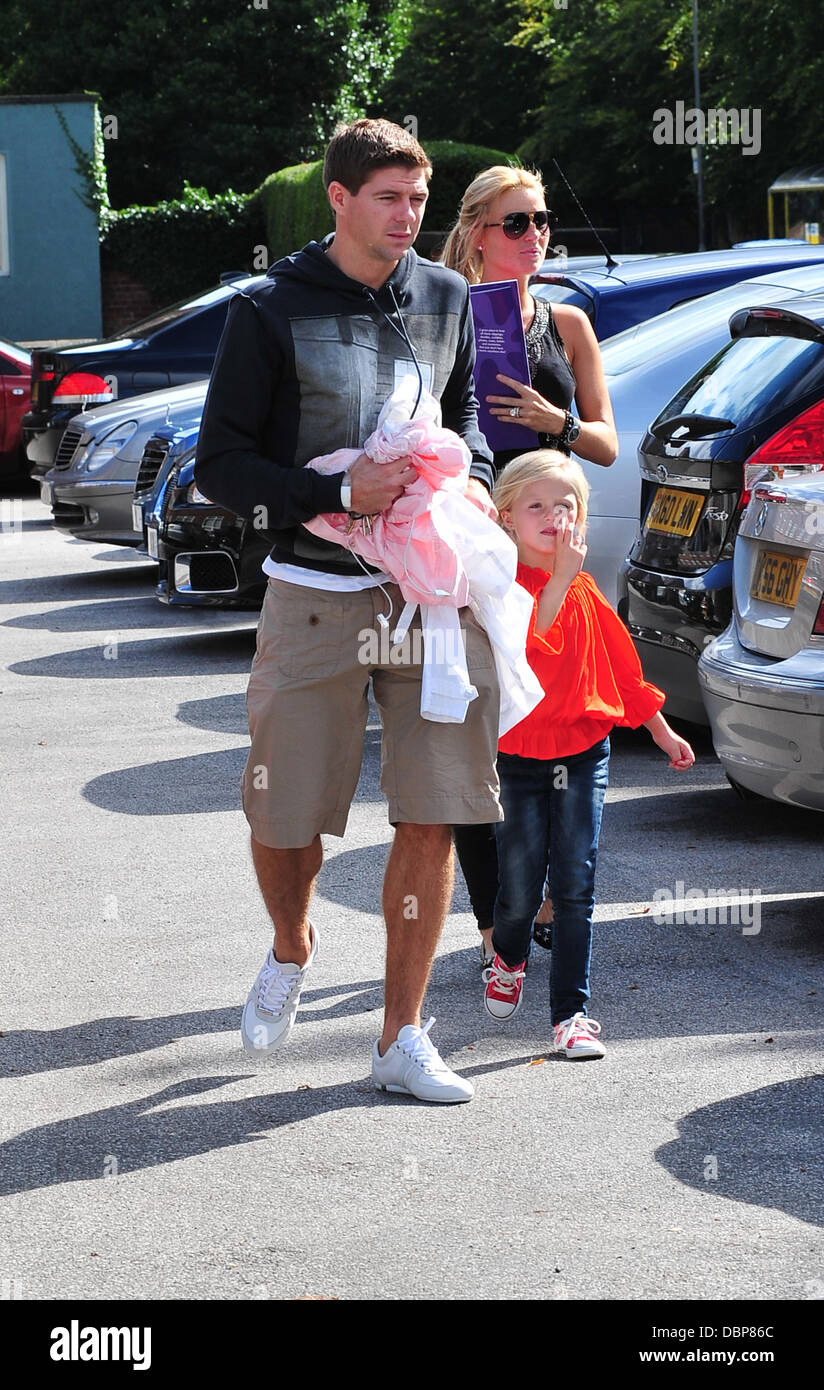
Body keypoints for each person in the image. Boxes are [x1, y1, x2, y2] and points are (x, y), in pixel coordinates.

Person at [194, 119, 501, 1104]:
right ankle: (290, 944)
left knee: (432, 811)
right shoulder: (269, 310)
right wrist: (330, 498)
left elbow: (470, 424)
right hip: (314, 596)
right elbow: (219, 466)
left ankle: (400, 1035)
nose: (407, 217)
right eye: (387, 198)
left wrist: (474, 485)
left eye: (417, 200)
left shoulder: (449, 297)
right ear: (338, 198)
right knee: (285, 812)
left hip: (428, 598)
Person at [440, 166, 619, 966]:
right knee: (482, 740)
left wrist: (560, 422)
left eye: (542, 221)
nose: (535, 235)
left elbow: (610, 444)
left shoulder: (569, 322)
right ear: (479, 232)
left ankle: (540, 898)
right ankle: (493, 926)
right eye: (516, 223)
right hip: (481, 546)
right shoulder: (447, 313)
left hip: (553, 550)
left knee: (554, 727)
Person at [481, 449, 695, 1057]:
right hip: (519, 755)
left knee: (575, 885)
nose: (553, 517)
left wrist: (659, 729)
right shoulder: (502, 588)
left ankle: (571, 1015)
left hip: (584, 751)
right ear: (506, 518)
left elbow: (622, 669)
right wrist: (558, 580)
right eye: (537, 506)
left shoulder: (585, 591)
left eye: (566, 505)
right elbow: (531, 648)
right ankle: (509, 956)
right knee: (520, 889)